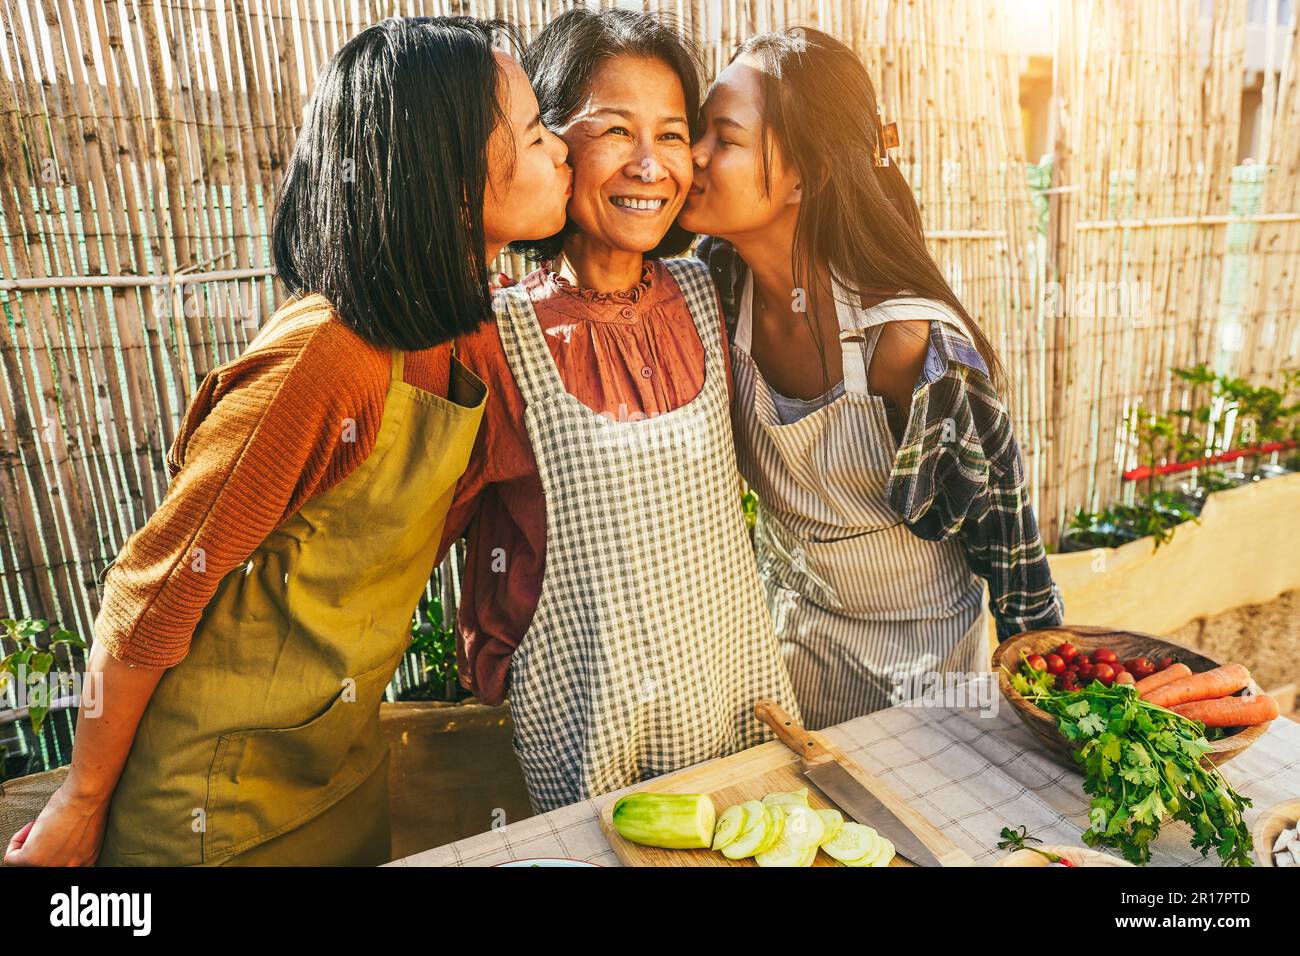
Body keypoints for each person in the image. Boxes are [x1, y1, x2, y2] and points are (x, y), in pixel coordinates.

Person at [4, 16, 572, 866]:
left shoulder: (468, 336)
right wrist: (79, 805)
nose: (561, 146)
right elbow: (147, 596)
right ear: (452, 180)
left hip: (339, 771)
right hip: (212, 804)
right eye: (533, 133)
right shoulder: (326, 362)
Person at [438, 8, 800, 814]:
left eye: (673, 135)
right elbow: (427, 530)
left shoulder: (711, 291)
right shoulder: (498, 338)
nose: (649, 165)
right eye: (615, 132)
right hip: (594, 727)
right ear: (554, 144)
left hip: (739, 697)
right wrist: (494, 643)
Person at [683, 28, 1063, 729]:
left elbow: (1008, 541)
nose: (695, 156)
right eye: (699, 130)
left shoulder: (908, 342)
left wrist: (1052, 708)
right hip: (791, 636)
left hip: (923, 664)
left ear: (808, 173)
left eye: (725, 138)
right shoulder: (714, 286)